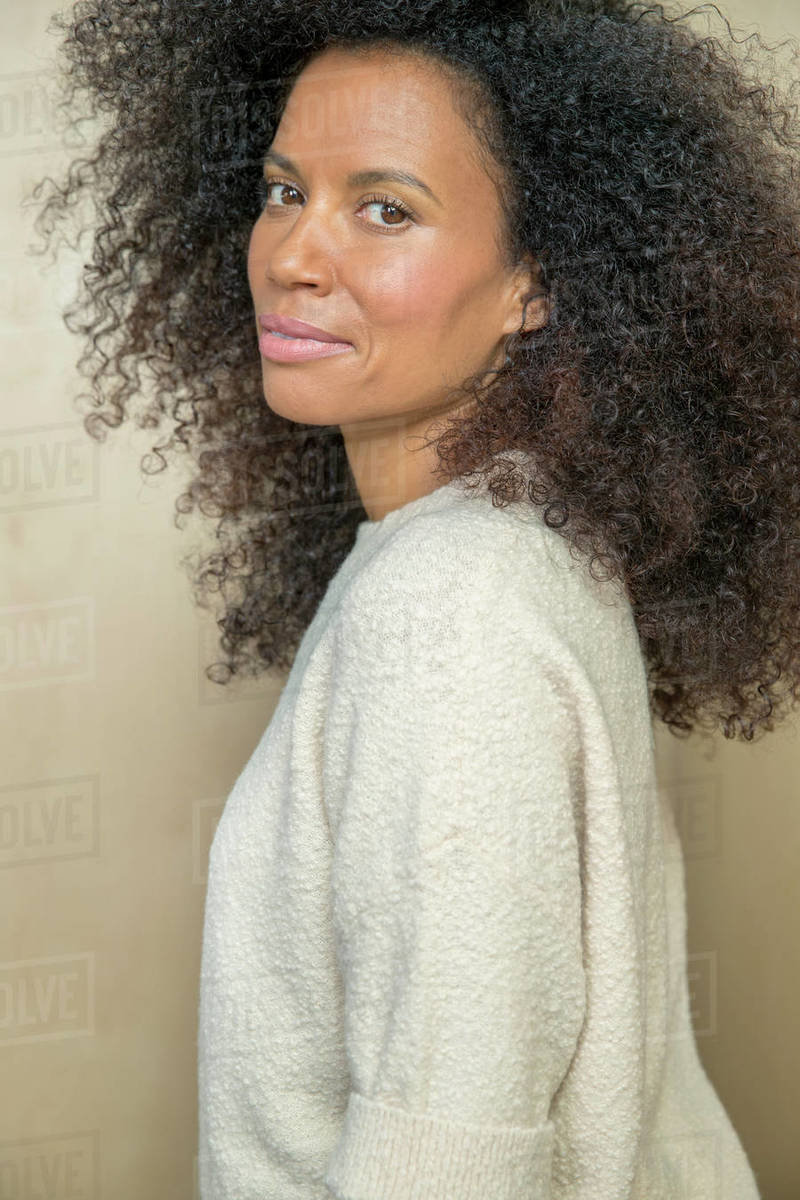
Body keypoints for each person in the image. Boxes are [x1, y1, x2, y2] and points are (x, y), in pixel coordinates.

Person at [30, 0, 800, 1195]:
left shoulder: (447, 613)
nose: (291, 255)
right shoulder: (510, 541)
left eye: (384, 208)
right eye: (283, 190)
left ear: (534, 283)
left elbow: (445, 1159)